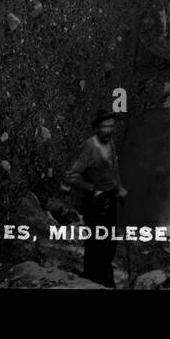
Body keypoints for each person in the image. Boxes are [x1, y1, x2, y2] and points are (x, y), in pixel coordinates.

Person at [65, 110, 128, 288]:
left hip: (110, 200)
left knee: (110, 243)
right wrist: (93, 190)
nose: (108, 130)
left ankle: (104, 279)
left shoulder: (111, 144)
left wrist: (119, 188)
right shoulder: (90, 147)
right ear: (96, 128)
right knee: (96, 244)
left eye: (111, 126)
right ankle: (94, 279)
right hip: (95, 204)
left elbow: (113, 171)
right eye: (104, 127)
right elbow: (72, 176)